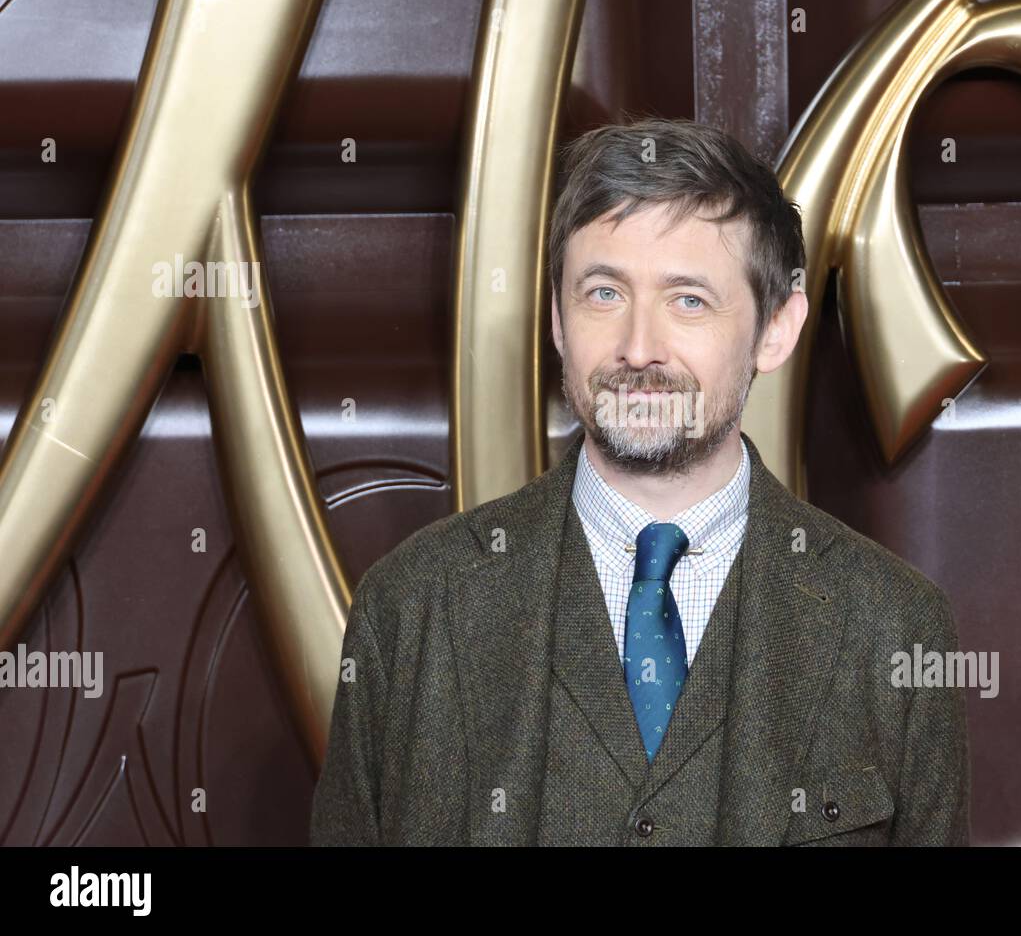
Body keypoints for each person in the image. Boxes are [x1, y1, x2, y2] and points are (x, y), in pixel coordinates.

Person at [310, 117, 970, 846]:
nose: (638, 348)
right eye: (604, 293)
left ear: (776, 329)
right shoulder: (409, 608)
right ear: (558, 318)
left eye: (688, 300)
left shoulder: (894, 626)